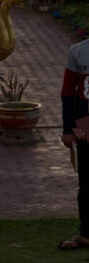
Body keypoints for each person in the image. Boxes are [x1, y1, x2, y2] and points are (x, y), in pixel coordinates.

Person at [58, 35, 89, 250]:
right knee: (86, 186)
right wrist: (68, 128)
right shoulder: (77, 52)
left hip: (85, 129)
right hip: (81, 129)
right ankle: (86, 235)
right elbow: (69, 92)